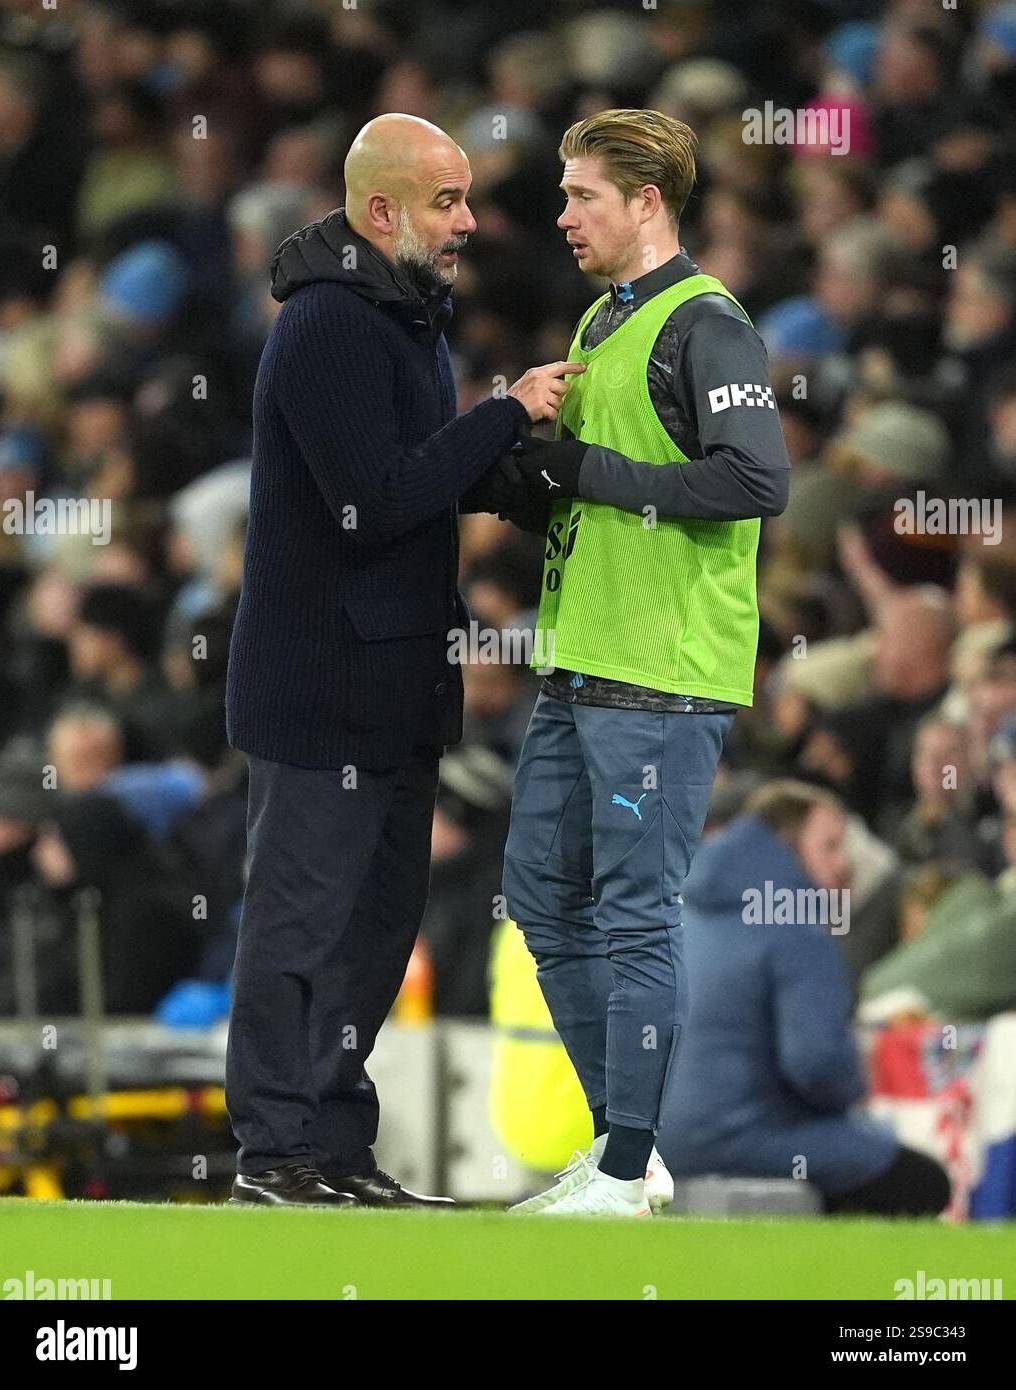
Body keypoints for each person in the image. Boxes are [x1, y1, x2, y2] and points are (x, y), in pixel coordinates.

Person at [224, 112, 575, 1208]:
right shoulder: (329, 323)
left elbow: (421, 475)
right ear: (381, 210)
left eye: (466, 199)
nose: (467, 221)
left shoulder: (404, 315)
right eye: (446, 201)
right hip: (322, 689)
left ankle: (332, 1149)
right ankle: (274, 1153)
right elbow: (370, 500)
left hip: (396, 685)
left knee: (373, 935)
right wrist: (501, 416)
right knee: (301, 922)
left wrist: (541, 482)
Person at [501, 108, 791, 1217]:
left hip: (661, 670)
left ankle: (625, 1166)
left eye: (582, 196)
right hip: (582, 658)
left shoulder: (706, 323)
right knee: (537, 894)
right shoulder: (601, 318)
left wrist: (588, 470)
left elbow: (754, 480)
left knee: (634, 912)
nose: (562, 214)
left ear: (646, 203)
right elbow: (599, 484)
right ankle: (624, 1144)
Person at [659, 781, 951, 1218]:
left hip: (663, 1144)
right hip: (747, 1140)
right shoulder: (796, 930)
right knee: (924, 1182)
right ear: (784, 843)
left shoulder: (685, 916)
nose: (843, 866)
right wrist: (857, 1089)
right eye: (830, 847)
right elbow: (817, 1064)